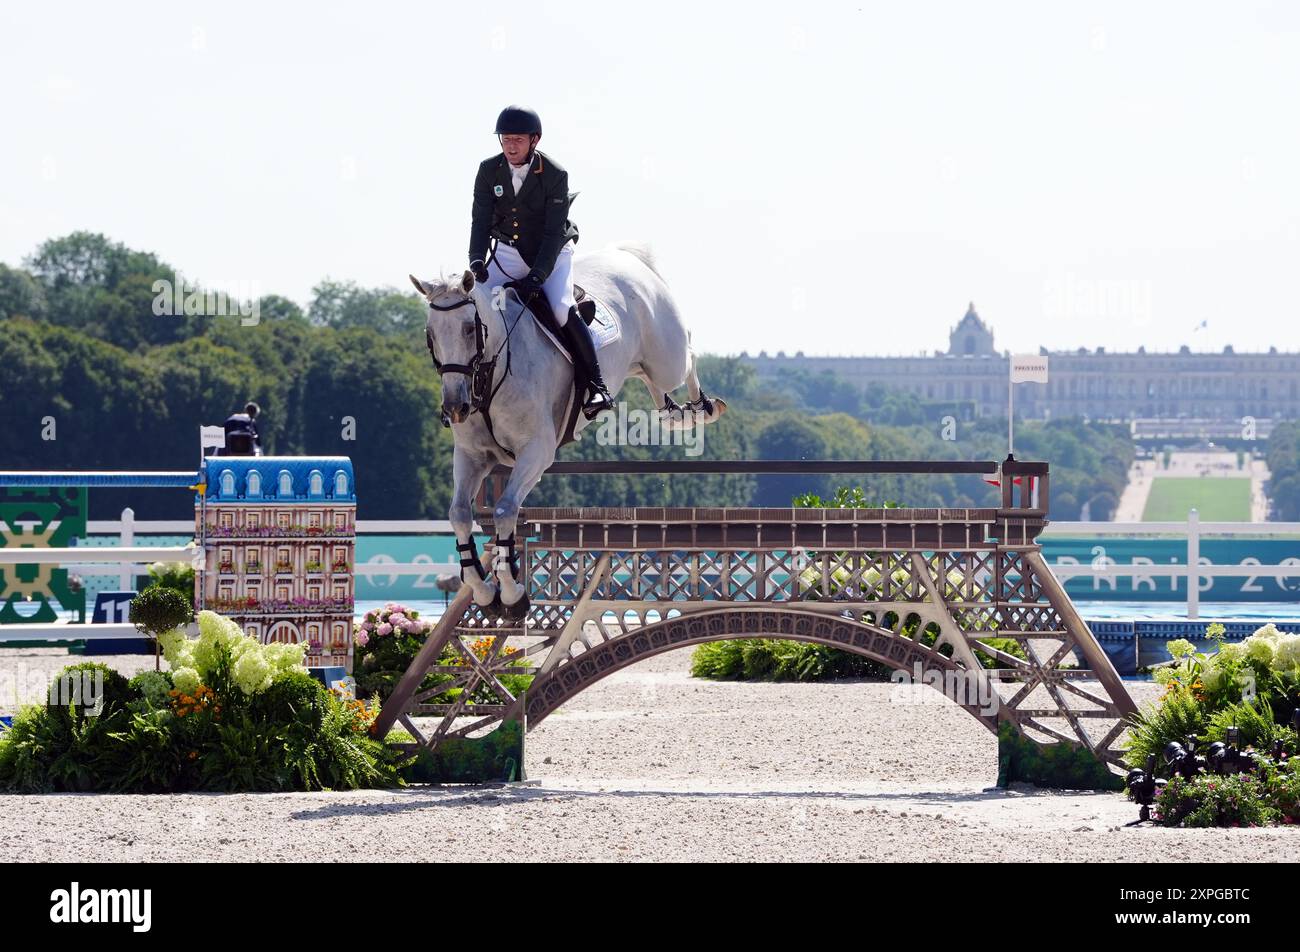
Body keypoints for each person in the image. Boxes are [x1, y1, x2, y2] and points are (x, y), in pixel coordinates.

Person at [467, 105, 613, 419]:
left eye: (518, 139)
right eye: (505, 139)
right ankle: (464, 385)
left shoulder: (555, 174)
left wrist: (538, 275)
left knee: (561, 309)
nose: (510, 145)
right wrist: (477, 259)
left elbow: (550, 233)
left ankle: (596, 385)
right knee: (473, 302)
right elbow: (480, 220)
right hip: (507, 251)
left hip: (551, 253)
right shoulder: (488, 169)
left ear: (535, 140)